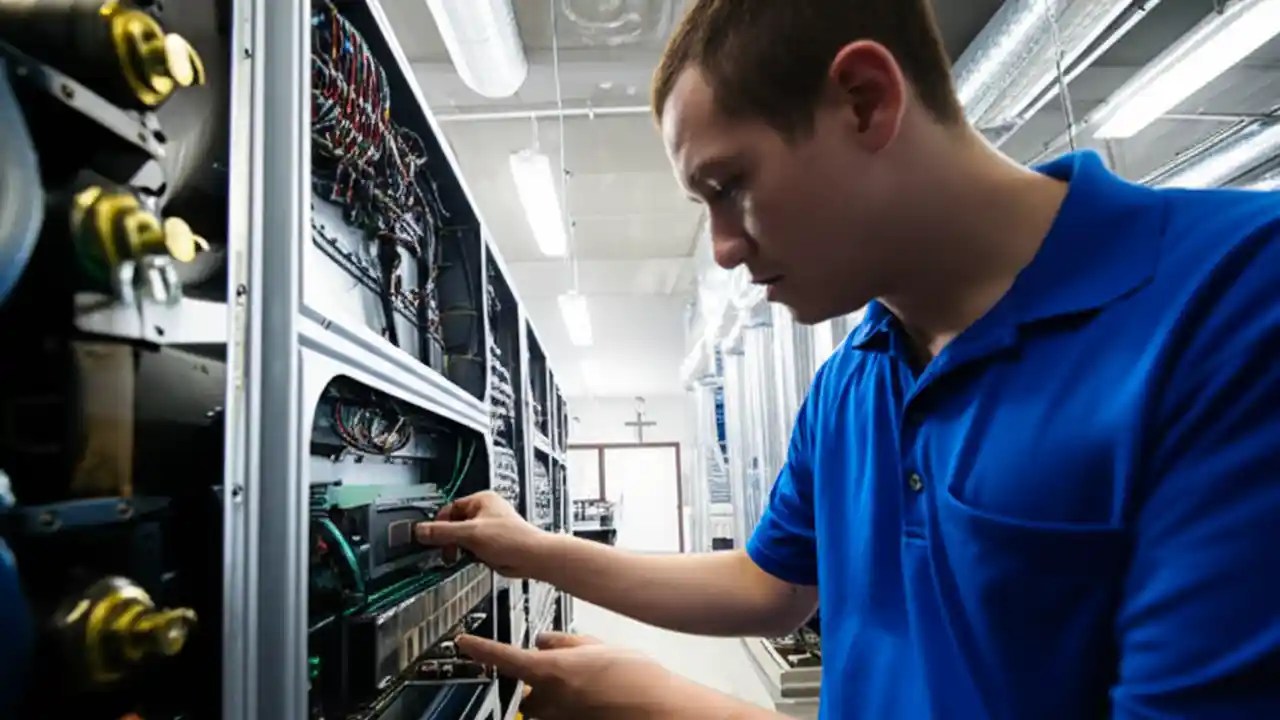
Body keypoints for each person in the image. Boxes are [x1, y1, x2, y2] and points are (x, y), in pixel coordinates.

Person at [415, 0, 1280, 717]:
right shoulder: (851, 379)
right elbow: (769, 587)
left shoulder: (1233, 298)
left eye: (728, 187)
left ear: (866, 100)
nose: (720, 249)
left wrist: (664, 702)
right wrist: (528, 548)